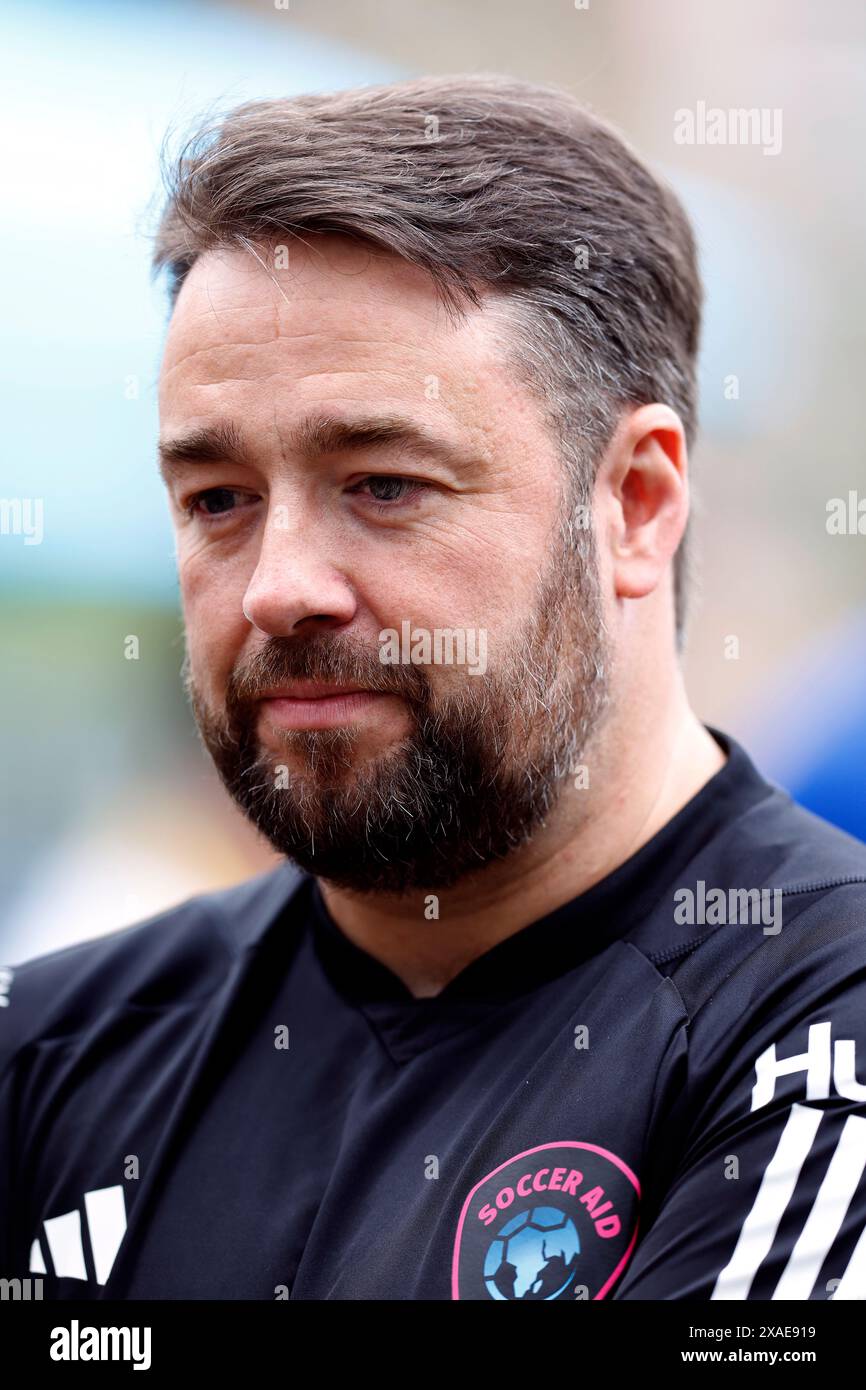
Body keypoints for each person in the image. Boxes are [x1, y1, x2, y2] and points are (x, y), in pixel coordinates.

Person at [2, 73, 865, 1302]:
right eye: (217, 500)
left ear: (632, 505)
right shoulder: (52, 1050)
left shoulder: (813, 1033)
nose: (278, 589)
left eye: (383, 483)